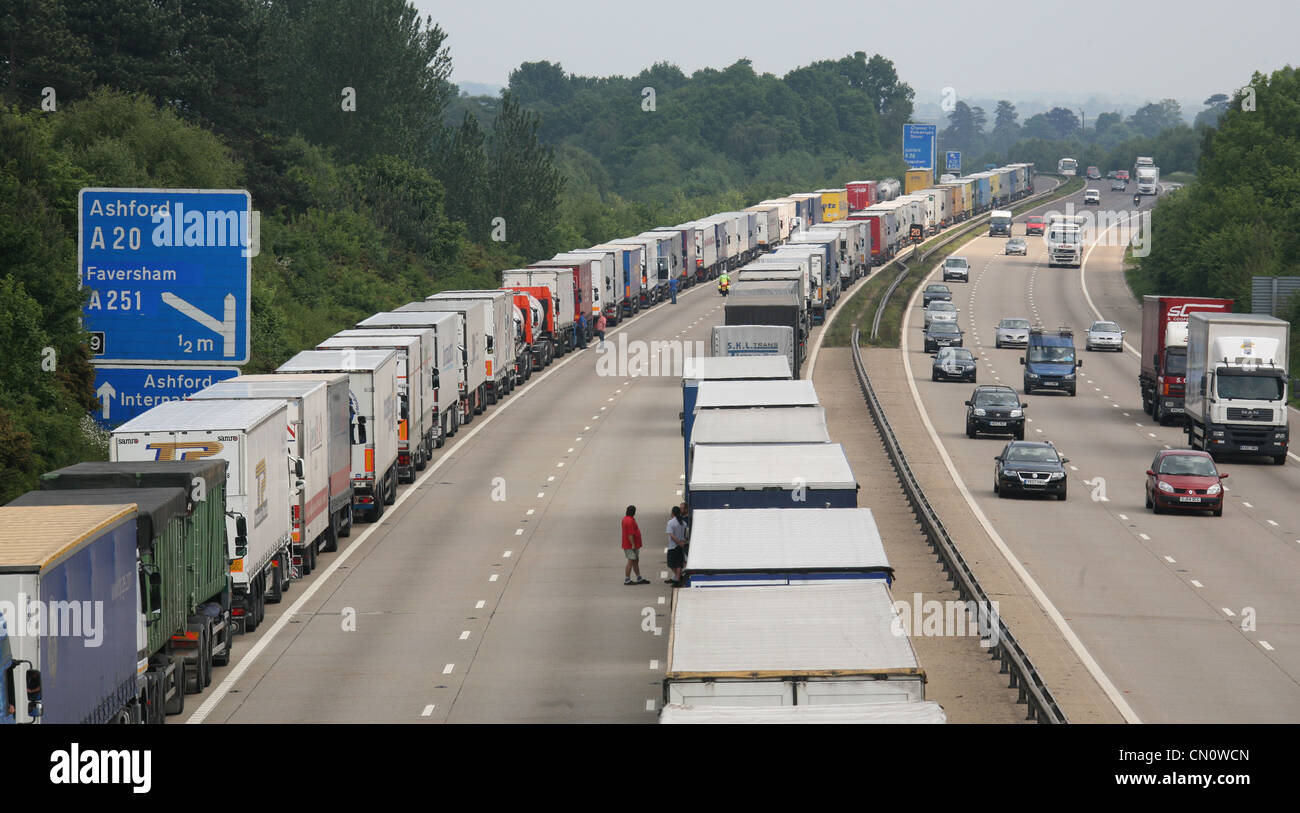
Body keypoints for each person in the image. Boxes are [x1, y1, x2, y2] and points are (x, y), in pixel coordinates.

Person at [621, 506, 648, 585]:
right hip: (630, 545)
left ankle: (639, 577)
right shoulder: (629, 521)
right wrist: (633, 544)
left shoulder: (627, 519)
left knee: (635, 561)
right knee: (631, 561)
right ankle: (627, 579)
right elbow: (630, 534)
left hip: (633, 545)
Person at [665, 505, 688, 586]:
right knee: (678, 563)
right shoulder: (683, 523)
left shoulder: (671, 522)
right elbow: (686, 535)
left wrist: (678, 542)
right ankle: (677, 578)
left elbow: (671, 535)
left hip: (673, 546)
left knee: (671, 563)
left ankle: (678, 578)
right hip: (681, 546)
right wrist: (682, 542)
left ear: (672, 513)